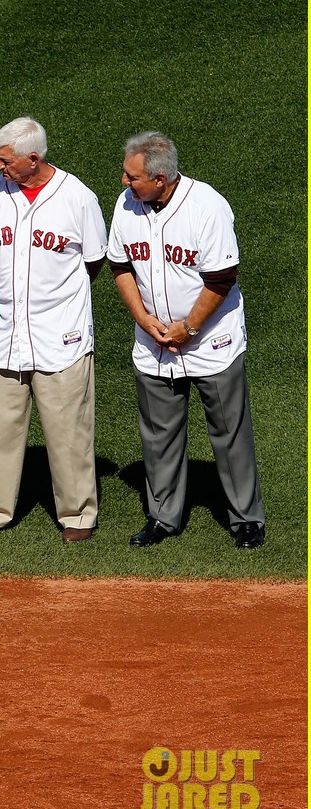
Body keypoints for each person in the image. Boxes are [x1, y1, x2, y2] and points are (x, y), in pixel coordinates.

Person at [107, 131, 265, 549]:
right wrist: (143, 318)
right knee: (159, 436)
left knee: (229, 432)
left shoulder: (207, 207)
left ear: (160, 179)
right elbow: (119, 265)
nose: (124, 182)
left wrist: (188, 327)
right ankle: (162, 518)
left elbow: (221, 278)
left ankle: (246, 519)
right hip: (154, 343)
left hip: (211, 341)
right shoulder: (127, 206)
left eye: (132, 176)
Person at [0, 117, 106, 543]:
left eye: (6, 159)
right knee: (1, 430)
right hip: (6, 334)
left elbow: (94, 262)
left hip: (60, 336)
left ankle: (77, 515)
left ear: (34, 158)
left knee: (69, 433)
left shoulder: (78, 198)